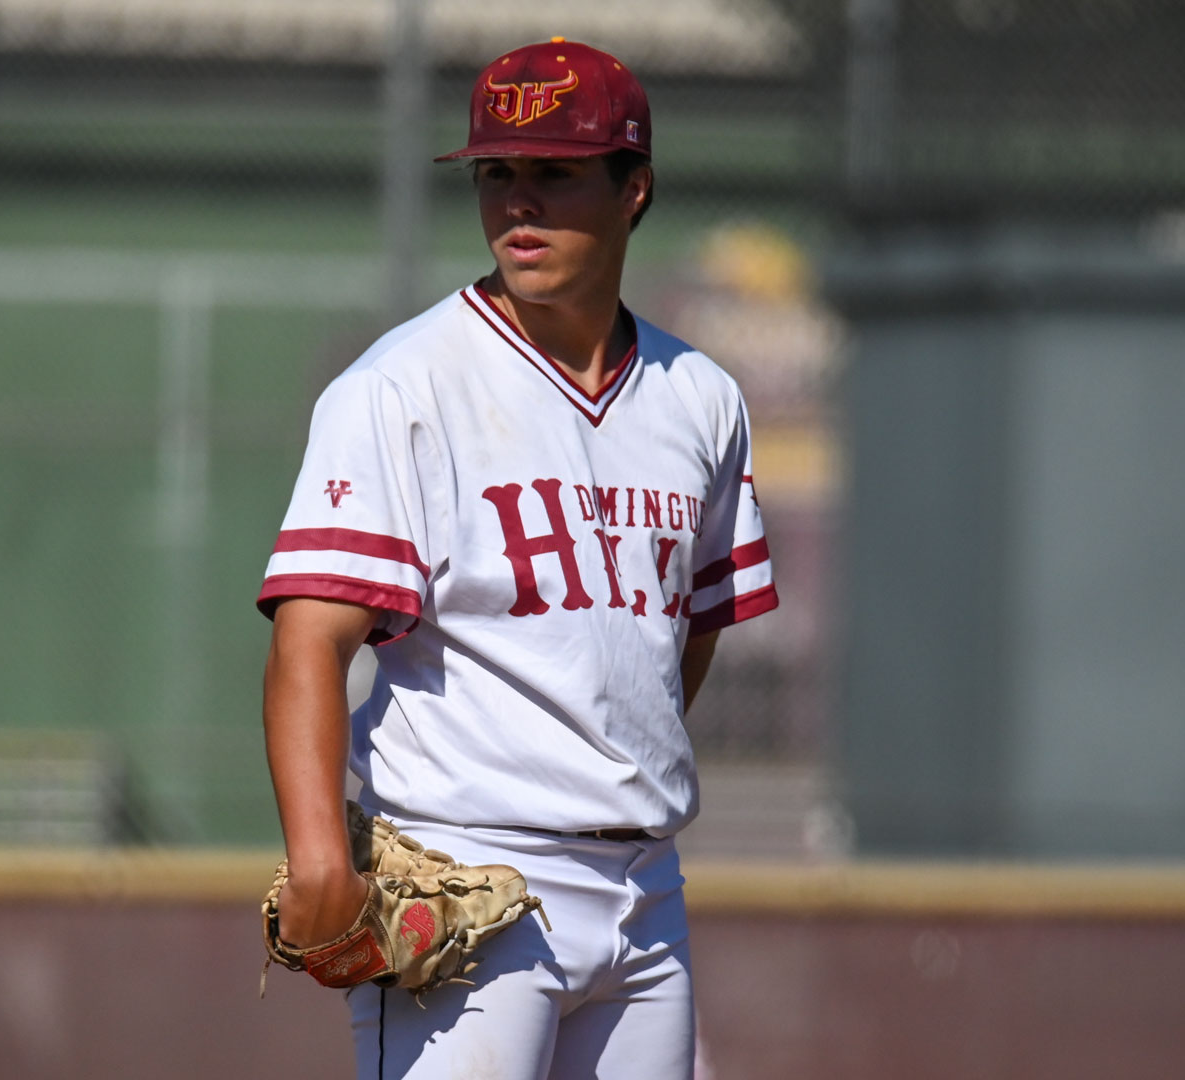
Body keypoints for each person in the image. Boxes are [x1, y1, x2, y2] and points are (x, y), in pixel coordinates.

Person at [257, 37, 777, 1080]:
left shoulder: (700, 398)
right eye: (497, 173)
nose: (519, 205)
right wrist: (320, 856)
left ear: (636, 190)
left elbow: (684, 630)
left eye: (555, 172)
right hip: (472, 870)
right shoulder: (403, 386)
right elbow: (310, 643)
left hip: (645, 890)